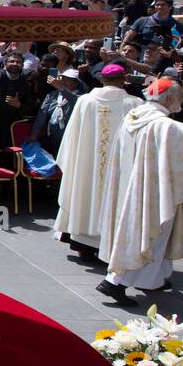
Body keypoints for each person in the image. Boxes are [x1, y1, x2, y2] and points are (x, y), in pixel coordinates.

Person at [96, 79, 183, 305]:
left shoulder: (132, 117)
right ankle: (115, 283)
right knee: (151, 237)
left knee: (148, 237)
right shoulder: (169, 126)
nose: (181, 101)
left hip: (128, 188)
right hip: (156, 193)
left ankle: (156, 279)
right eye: (180, 97)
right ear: (170, 98)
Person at [54, 62, 143, 263]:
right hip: (120, 168)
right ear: (123, 80)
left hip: (86, 167)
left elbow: (71, 139)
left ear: (102, 79)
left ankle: (84, 247)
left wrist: (70, 162)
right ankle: (112, 247)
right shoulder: (134, 104)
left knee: (84, 192)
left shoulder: (85, 101)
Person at [28, 68, 82, 155]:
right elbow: (42, 116)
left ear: (76, 82)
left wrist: (61, 88)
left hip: (70, 133)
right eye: (63, 79)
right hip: (52, 132)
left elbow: (73, 99)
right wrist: (34, 135)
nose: (64, 81)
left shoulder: (82, 97)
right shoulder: (52, 95)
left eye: (69, 80)